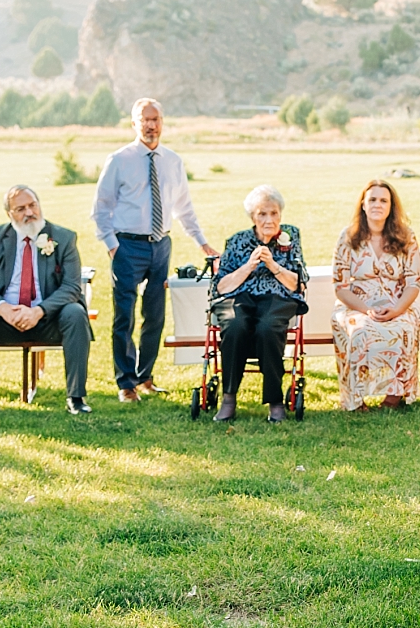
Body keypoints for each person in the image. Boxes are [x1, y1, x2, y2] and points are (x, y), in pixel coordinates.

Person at [92, 98, 217, 403]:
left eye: (156, 119)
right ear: (134, 123)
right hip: (127, 247)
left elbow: (184, 208)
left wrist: (202, 243)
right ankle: (126, 383)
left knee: (155, 316)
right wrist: (112, 247)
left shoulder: (173, 161)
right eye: (144, 120)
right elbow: (100, 208)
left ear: (163, 122)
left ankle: (145, 376)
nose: (151, 125)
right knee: (124, 316)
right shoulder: (119, 160)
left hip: (161, 246)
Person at [0, 185, 93, 414]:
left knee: (75, 312)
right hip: (6, 320)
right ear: (10, 214)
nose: (29, 213)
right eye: (21, 208)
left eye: (33, 205)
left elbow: (72, 287)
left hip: (50, 319)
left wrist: (39, 311)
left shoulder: (63, 237)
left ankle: (76, 397)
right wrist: (4, 309)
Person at [212, 185, 307, 423]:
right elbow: (221, 286)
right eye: (262, 214)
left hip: (278, 297)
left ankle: (275, 402)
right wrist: (249, 266)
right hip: (239, 296)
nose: (269, 219)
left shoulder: (290, 236)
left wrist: (273, 265)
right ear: (253, 217)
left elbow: (297, 283)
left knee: (268, 328)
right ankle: (229, 398)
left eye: (274, 213)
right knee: (235, 326)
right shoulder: (237, 241)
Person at [331, 180, 420, 411]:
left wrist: (398, 309)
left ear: (391, 206)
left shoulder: (406, 237)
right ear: (363, 204)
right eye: (372, 199)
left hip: (397, 302)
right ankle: (355, 399)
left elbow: (413, 282)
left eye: (384, 200)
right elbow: (340, 287)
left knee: (404, 328)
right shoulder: (348, 237)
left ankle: (394, 395)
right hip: (356, 304)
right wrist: (366, 310)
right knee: (360, 331)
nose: (377, 205)